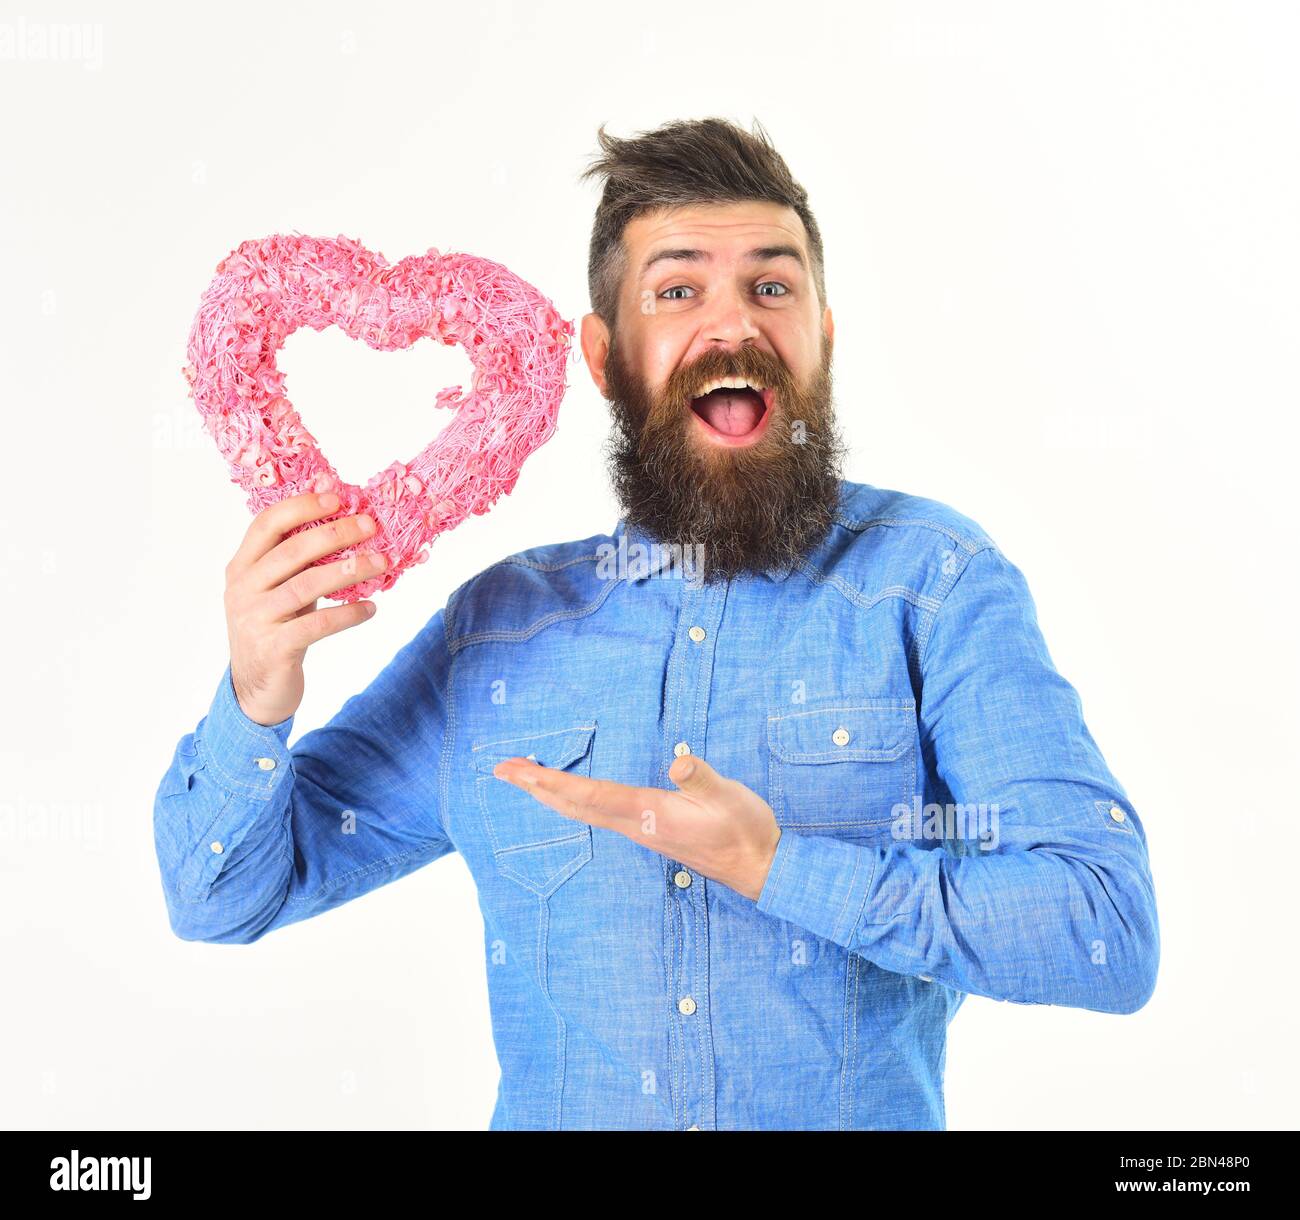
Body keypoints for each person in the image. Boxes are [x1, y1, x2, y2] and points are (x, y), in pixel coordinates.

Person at [153, 117, 1159, 1131]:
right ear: (602, 356)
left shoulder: (931, 585)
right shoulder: (498, 638)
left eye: (773, 287)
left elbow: (1104, 928)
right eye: (677, 291)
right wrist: (254, 695)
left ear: (823, 336)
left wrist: (781, 867)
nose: (732, 328)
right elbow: (223, 895)